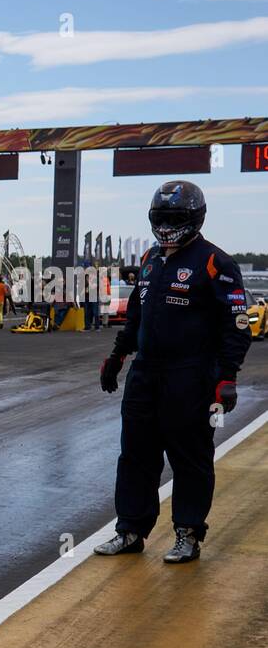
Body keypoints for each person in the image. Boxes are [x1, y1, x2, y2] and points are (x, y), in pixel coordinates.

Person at [95, 180, 252, 564]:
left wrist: (226, 378)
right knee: (135, 455)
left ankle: (188, 534)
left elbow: (238, 325)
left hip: (191, 376)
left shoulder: (217, 263)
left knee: (190, 457)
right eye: (161, 217)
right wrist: (117, 356)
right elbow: (136, 316)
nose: (166, 225)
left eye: (174, 218)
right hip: (145, 373)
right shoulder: (150, 259)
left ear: (195, 218)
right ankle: (130, 530)